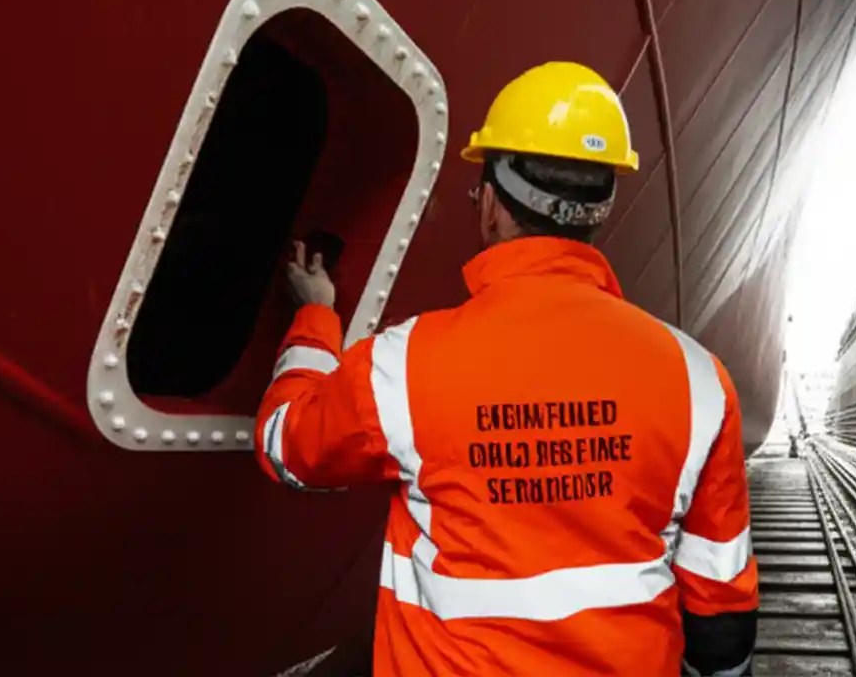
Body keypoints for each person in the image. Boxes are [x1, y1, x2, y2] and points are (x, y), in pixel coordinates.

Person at [254, 62, 758, 676]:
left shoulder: (404, 364)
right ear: (600, 209)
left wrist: (315, 317)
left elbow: (286, 444)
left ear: (491, 204)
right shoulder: (698, 379)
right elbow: (721, 622)